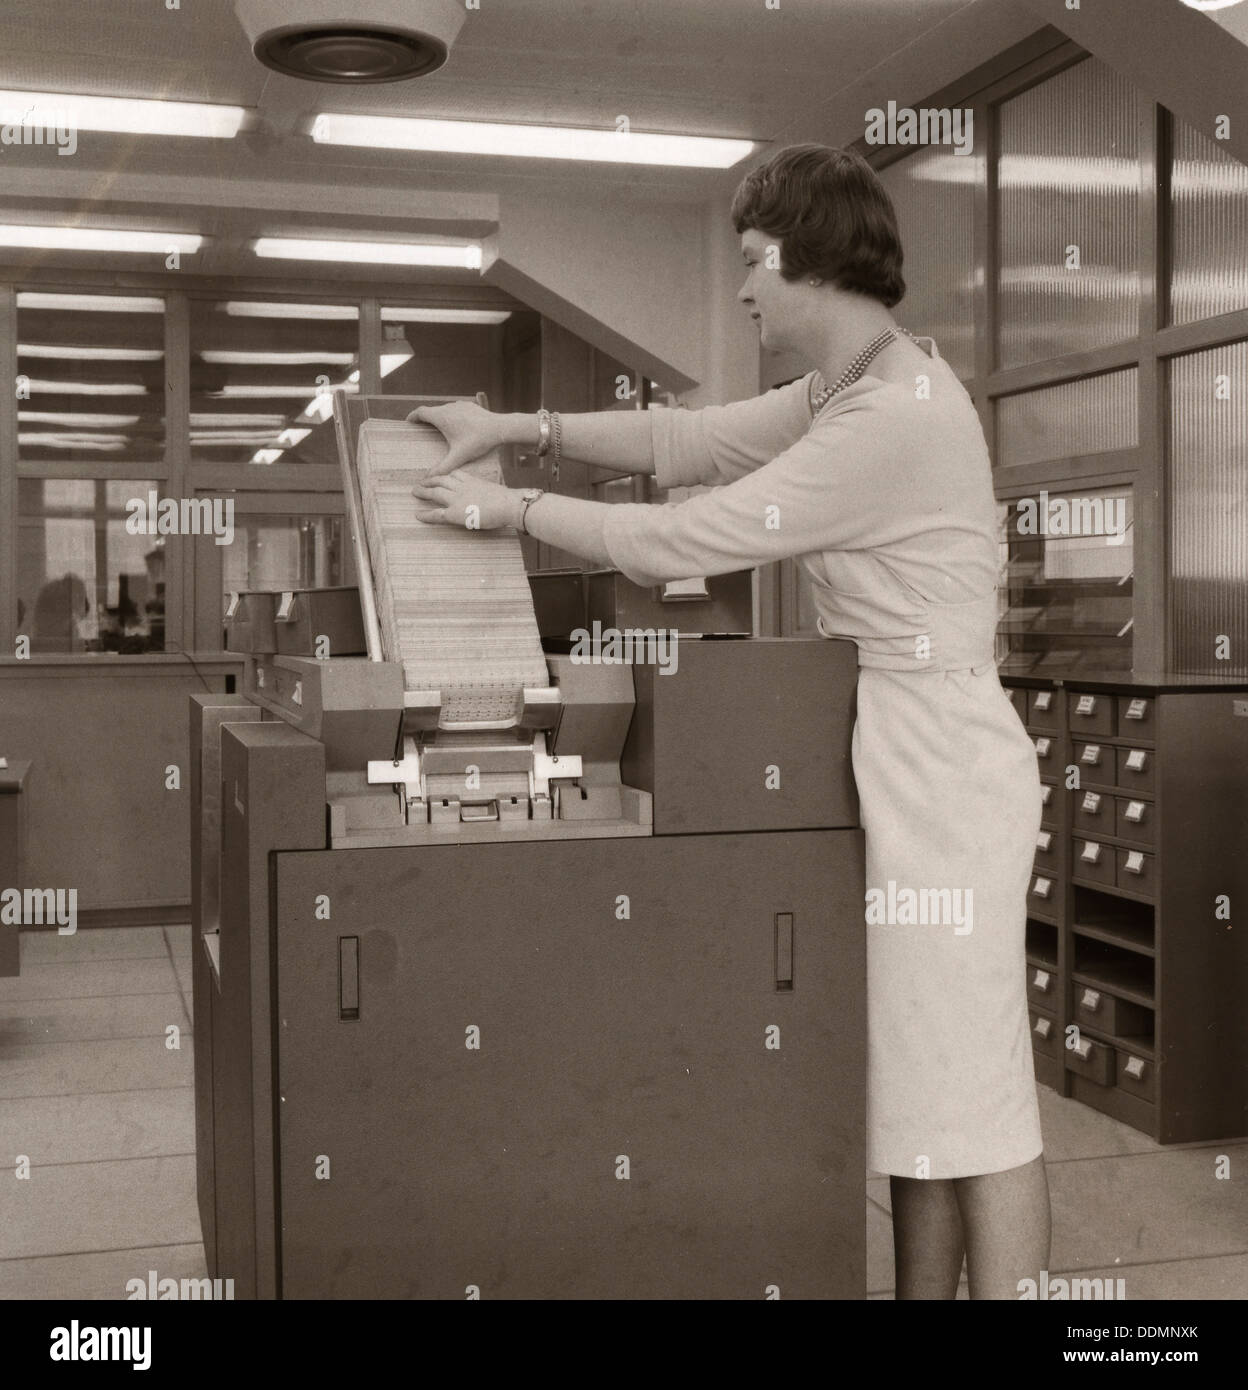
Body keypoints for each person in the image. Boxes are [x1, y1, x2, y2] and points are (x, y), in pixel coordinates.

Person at [408, 143, 1051, 1301]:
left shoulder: (893, 416)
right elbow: (685, 444)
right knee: (915, 1082)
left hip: (945, 766)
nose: (745, 289)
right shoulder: (851, 385)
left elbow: (686, 535)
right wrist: (515, 427)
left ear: (812, 260)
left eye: (755, 262)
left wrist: (504, 509)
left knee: (980, 1093)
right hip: (901, 744)